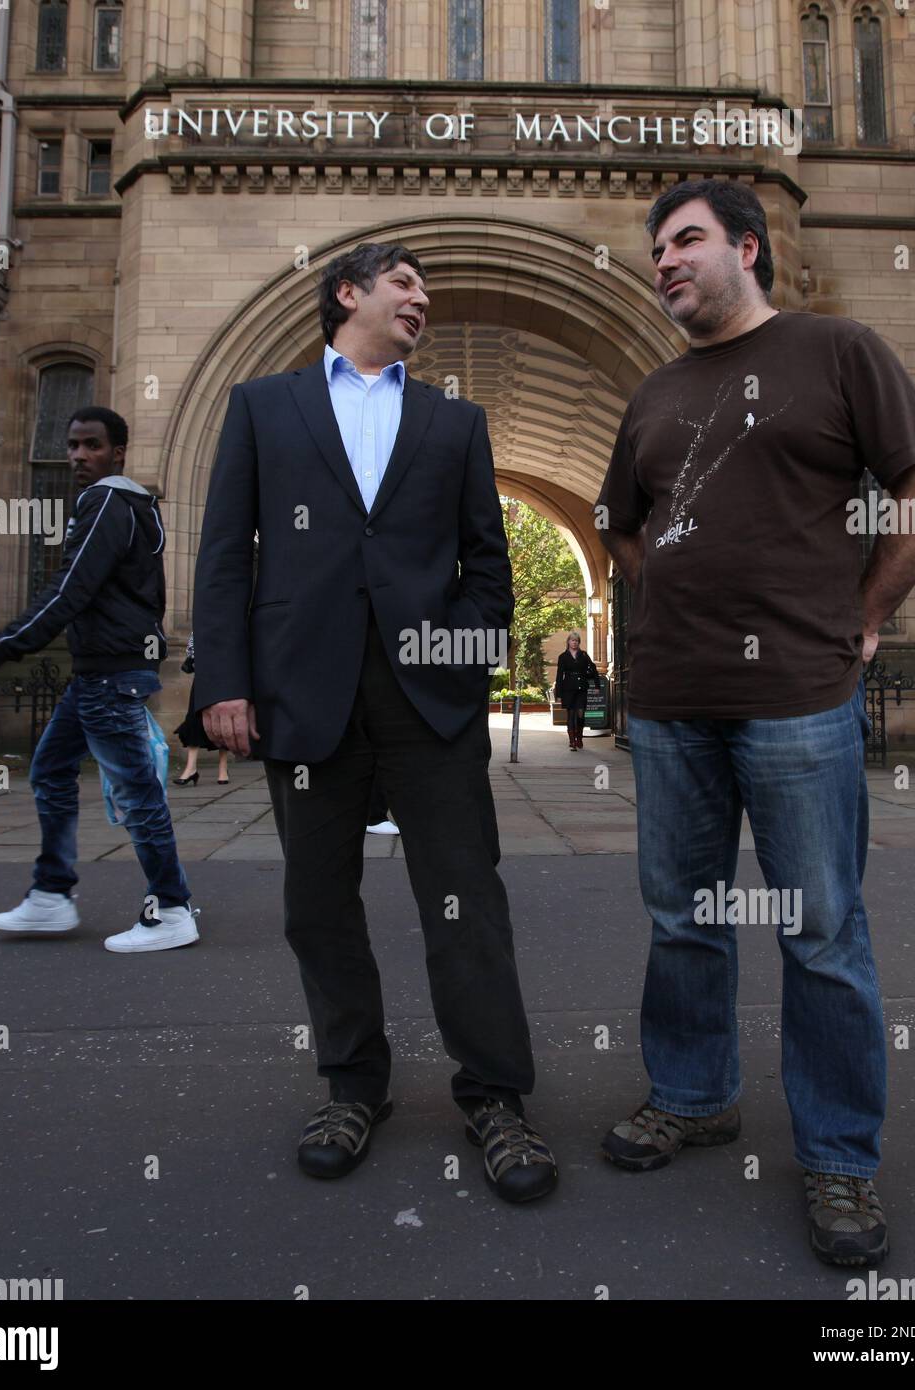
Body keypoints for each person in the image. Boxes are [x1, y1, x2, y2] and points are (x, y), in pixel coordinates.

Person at [594, 179, 915, 1266]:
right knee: (681, 916)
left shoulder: (834, 351)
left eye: (686, 240)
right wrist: (660, 605)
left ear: (745, 248)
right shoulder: (653, 392)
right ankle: (693, 1093)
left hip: (798, 700)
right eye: (656, 247)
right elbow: (619, 525)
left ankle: (840, 1159)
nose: (665, 259)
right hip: (669, 705)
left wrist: (864, 616)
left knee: (819, 928)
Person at [192, 242, 557, 1203]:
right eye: (404, 284)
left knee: (463, 899)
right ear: (346, 293)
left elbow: (489, 563)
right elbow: (227, 554)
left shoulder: (454, 420)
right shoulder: (261, 406)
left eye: (426, 288)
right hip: (299, 693)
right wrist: (222, 682)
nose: (422, 299)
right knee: (317, 904)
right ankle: (352, 1087)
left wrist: (466, 660)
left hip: (426, 700)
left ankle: (496, 1098)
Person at [0, 407, 199, 955]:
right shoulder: (133, 506)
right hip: (103, 670)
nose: (78, 456)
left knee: (138, 796)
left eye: (91, 445)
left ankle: (173, 907)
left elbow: (70, 590)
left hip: (110, 674)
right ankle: (52, 894)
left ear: (117, 453)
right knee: (52, 769)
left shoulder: (106, 501)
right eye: (72, 446)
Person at [173, 634, 230, 786]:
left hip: (226, 675)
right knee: (194, 718)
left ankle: (223, 769)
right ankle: (191, 768)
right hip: (204, 675)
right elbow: (192, 644)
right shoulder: (203, 616)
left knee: (222, 719)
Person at [553, 631, 601, 751]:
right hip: (568, 688)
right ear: (568, 642)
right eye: (572, 640)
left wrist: (597, 685)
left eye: (576, 641)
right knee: (571, 714)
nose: (574, 642)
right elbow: (559, 676)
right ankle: (571, 741)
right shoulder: (563, 657)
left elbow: (593, 669)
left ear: (579, 643)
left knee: (580, 713)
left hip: (581, 688)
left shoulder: (584, 655)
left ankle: (579, 737)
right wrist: (558, 694)